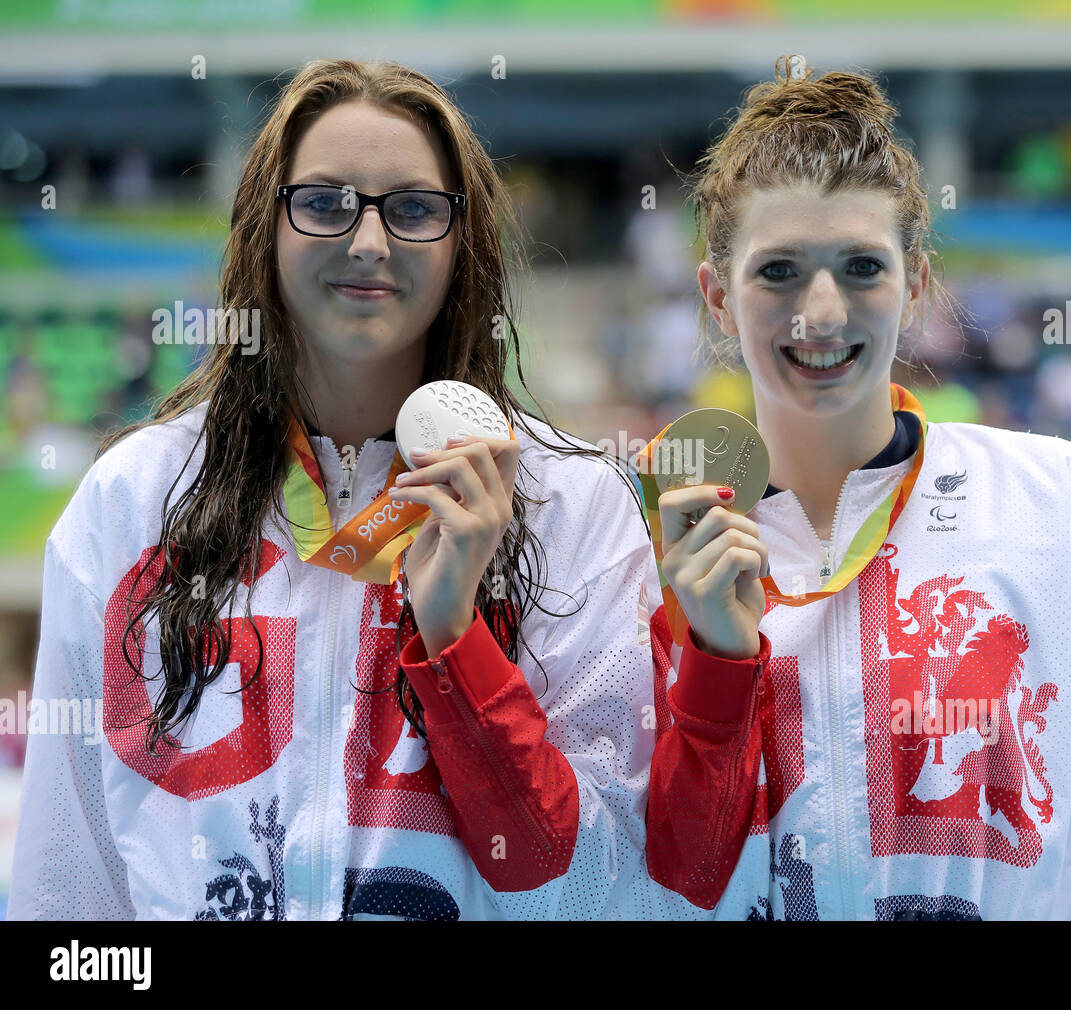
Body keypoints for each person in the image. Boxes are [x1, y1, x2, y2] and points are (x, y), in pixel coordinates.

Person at [8, 58, 694, 921]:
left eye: (411, 209)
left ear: (461, 244)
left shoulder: (573, 505)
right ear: (268, 225)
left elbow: (602, 886)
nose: (367, 242)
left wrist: (459, 648)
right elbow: (67, 883)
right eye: (325, 202)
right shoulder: (134, 501)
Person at [642, 58, 1071, 920]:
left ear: (916, 283)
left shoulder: (1061, 510)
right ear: (716, 299)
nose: (821, 309)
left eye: (861, 267)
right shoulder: (643, 542)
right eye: (778, 272)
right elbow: (624, 870)